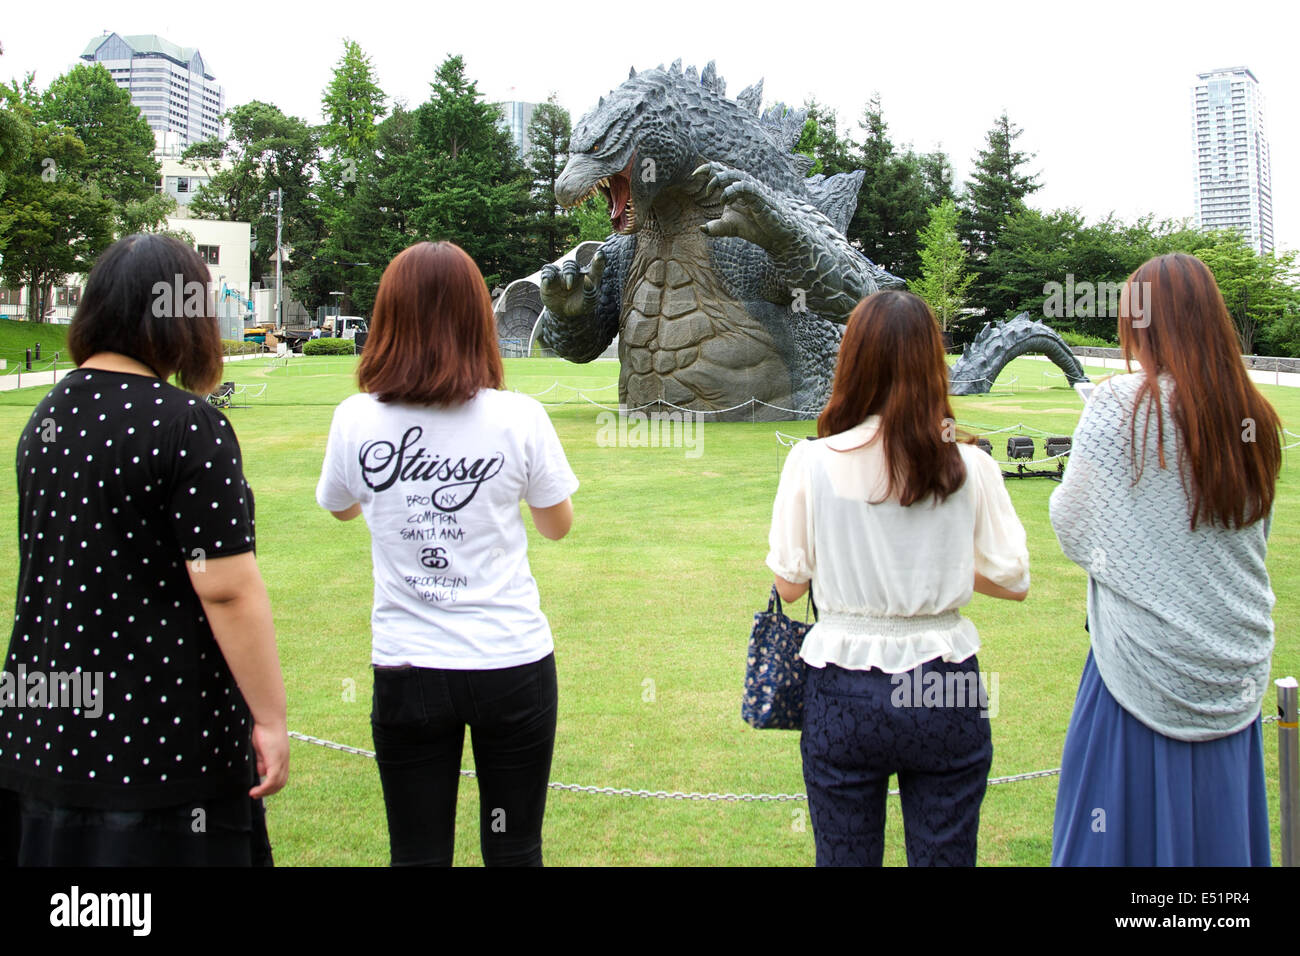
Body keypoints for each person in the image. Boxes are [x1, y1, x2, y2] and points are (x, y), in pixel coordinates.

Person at [0, 234, 288, 866]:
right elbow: (226, 586)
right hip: (160, 750)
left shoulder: (45, 419)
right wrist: (269, 718)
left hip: (47, 743)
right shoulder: (187, 423)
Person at [315, 241, 577, 867]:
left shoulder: (357, 419)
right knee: (514, 850)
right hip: (510, 663)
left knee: (417, 853)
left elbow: (341, 505)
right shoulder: (519, 417)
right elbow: (556, 525)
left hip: (408, 668)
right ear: (475, 318)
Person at [767, 290, 1030, 867]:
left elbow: (789, 584)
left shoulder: (811, 461)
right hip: (945, 678)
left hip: (843, 683)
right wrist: (936, 566)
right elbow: (1013, 579)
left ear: (852, 360)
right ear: (932, 363)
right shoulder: (970, 463)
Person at [1049, 253, 1280, 866]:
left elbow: (1072, 523)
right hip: (1233, 667)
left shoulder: (1119, 405)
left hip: (1134, 673)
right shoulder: (1255, 416)